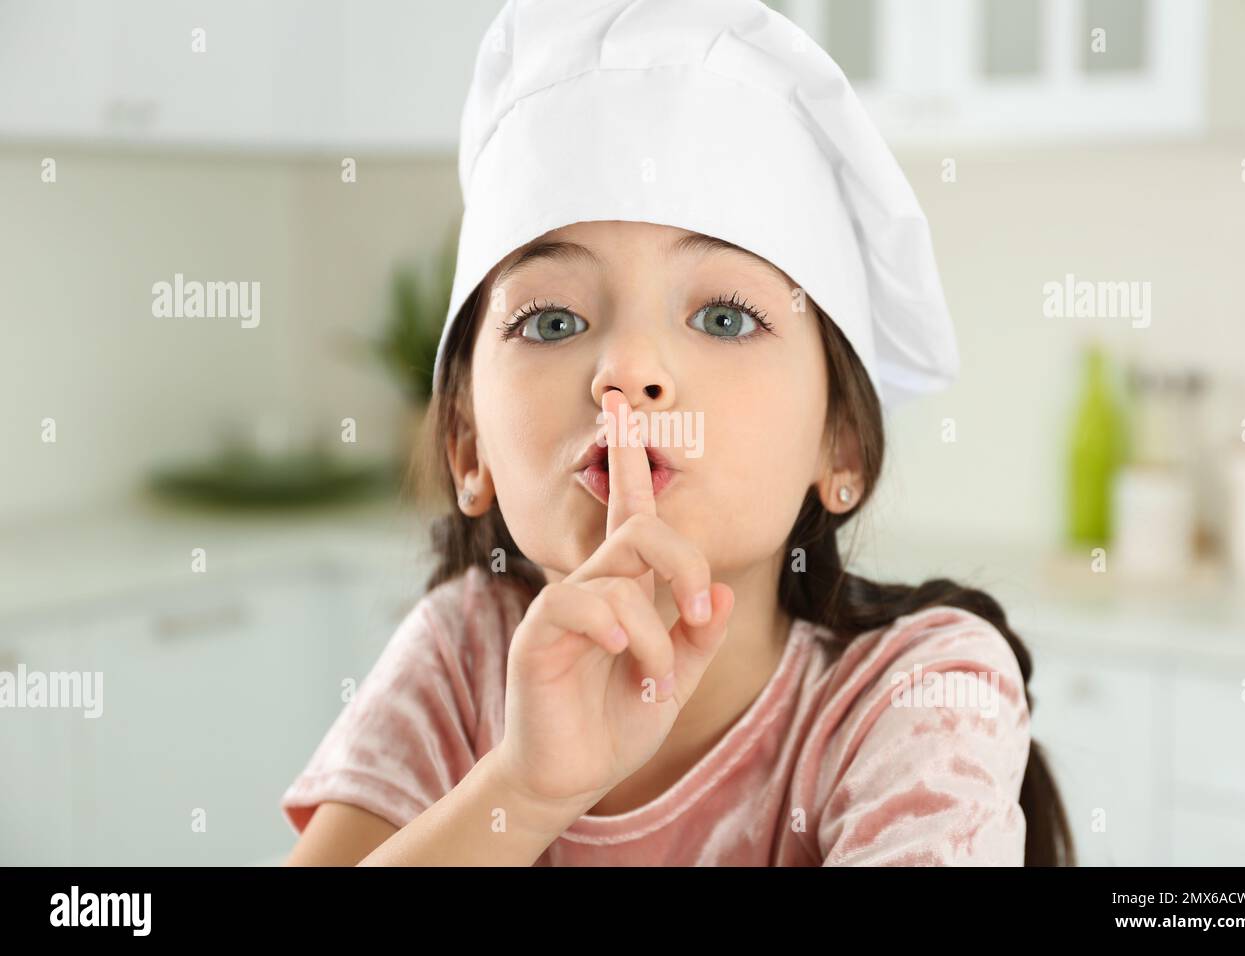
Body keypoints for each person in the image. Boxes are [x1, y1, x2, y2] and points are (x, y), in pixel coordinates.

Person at [280, 0, 1074, 866]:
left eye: (727, 318)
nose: (627, 371)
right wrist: (526, 788)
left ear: (840, 445)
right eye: (551, 321)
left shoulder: (921, 691)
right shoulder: (461, 652)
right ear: (469, 446)